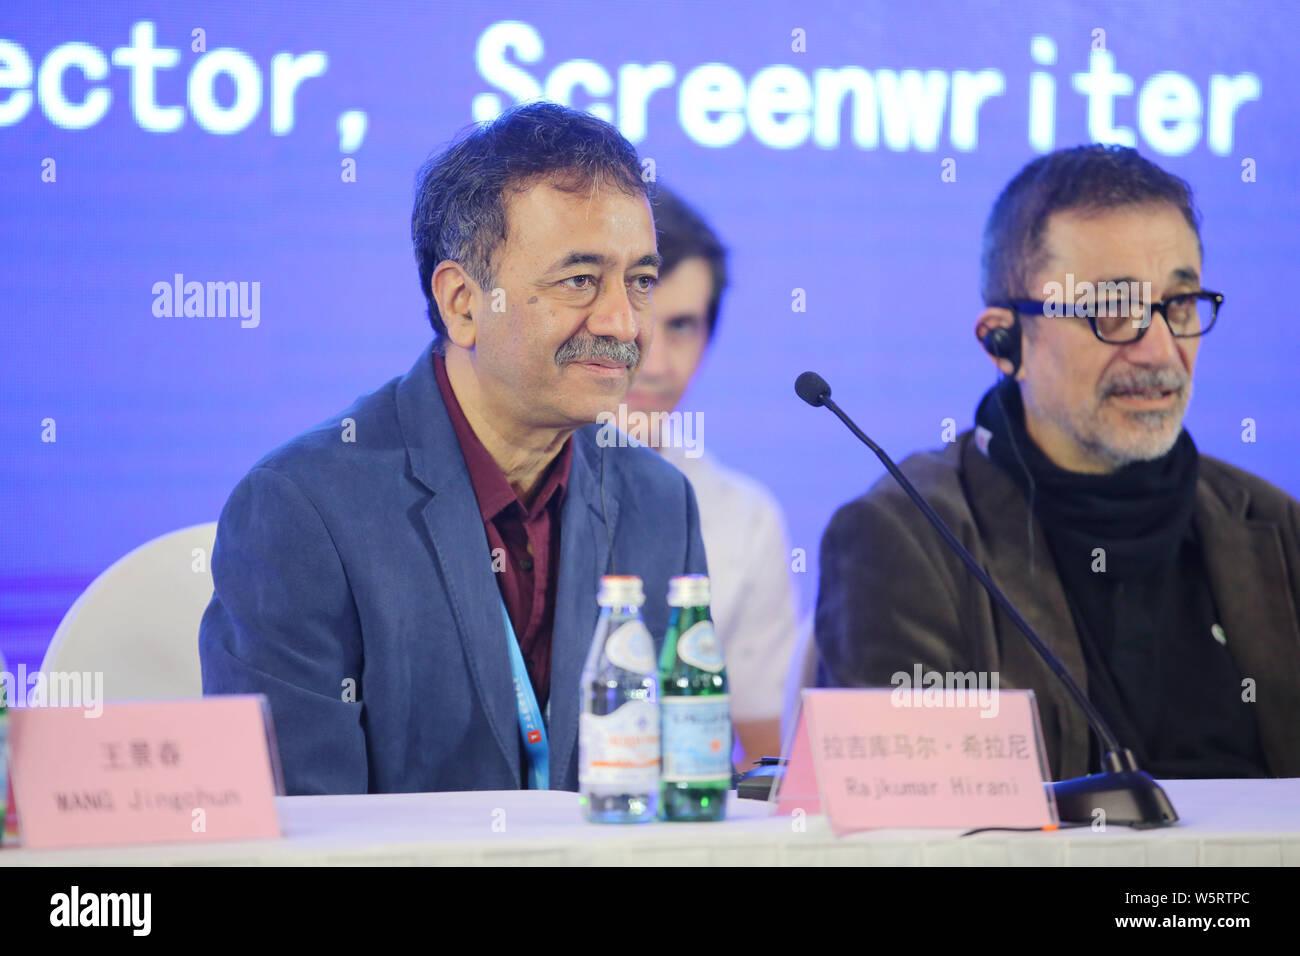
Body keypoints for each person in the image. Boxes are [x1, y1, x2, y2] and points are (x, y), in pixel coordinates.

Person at [200, 102, 707, 796]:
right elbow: (298, 831)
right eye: (579, 281)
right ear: (462, 303)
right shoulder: (303, 510)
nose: (623, 322)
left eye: (639, 281)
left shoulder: (658, 502)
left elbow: (683, 787)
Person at [816, 144, 1300, 781]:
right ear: (1004, 341)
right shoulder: (904, 541)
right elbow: (913, 835)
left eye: (1179, 304)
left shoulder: (1274, 526)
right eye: (1111, 309)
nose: (1160, 349)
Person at [622, 187, 799, 768]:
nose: (656, 362)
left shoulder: (744, 517)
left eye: (682, 327)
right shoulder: (506, 487)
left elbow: (765, 763)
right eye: (638, 322)